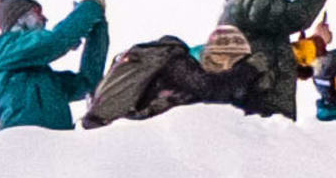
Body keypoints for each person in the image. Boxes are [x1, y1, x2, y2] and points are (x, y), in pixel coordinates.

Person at [216, 0, 336, 120]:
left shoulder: (245, 0)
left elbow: (268, 56)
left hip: (259, 114)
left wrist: (313, 45)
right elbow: (298, 16)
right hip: (257, 116)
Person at [0, 0, 111, 132]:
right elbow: (55, 41)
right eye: (37, 12)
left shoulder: (44, 79)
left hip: (57, 142)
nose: (44, 18)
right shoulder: (0, 50)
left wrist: (97, 23)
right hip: (21, 139)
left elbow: (87, 82)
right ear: (19, 18)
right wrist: (91, 5)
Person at [87, 24, 264, 124]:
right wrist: (251, 69)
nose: (231, 67)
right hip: (133, 128)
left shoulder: (191, 63)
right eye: (233, 60)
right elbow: (211, 89)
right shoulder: (179, 64)